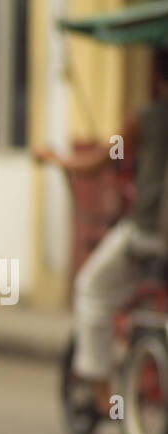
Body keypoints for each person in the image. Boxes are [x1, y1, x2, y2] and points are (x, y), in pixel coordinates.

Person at [35, 47, 168, 410]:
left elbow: (98, 161)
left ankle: (100, 390)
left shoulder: (145, 120)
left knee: (92, 290)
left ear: (157, 77)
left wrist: (58, 159)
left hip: (150, 236)